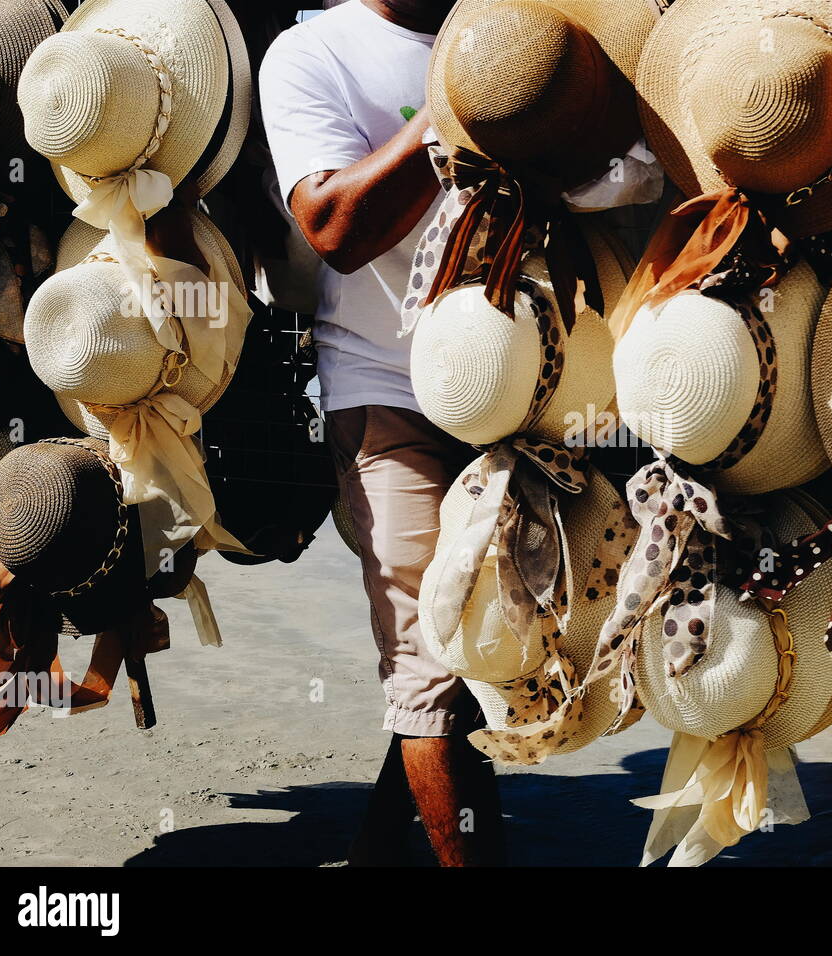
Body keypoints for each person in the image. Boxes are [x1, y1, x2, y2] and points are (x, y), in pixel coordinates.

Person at [259, 0, 505, 867]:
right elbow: (334, 227)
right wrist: (462, 106)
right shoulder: (311, 52)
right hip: (385, 386)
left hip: (522, 388)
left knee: (494, 646)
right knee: (429, 661)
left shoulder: (522, 32)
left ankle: (377, 844)